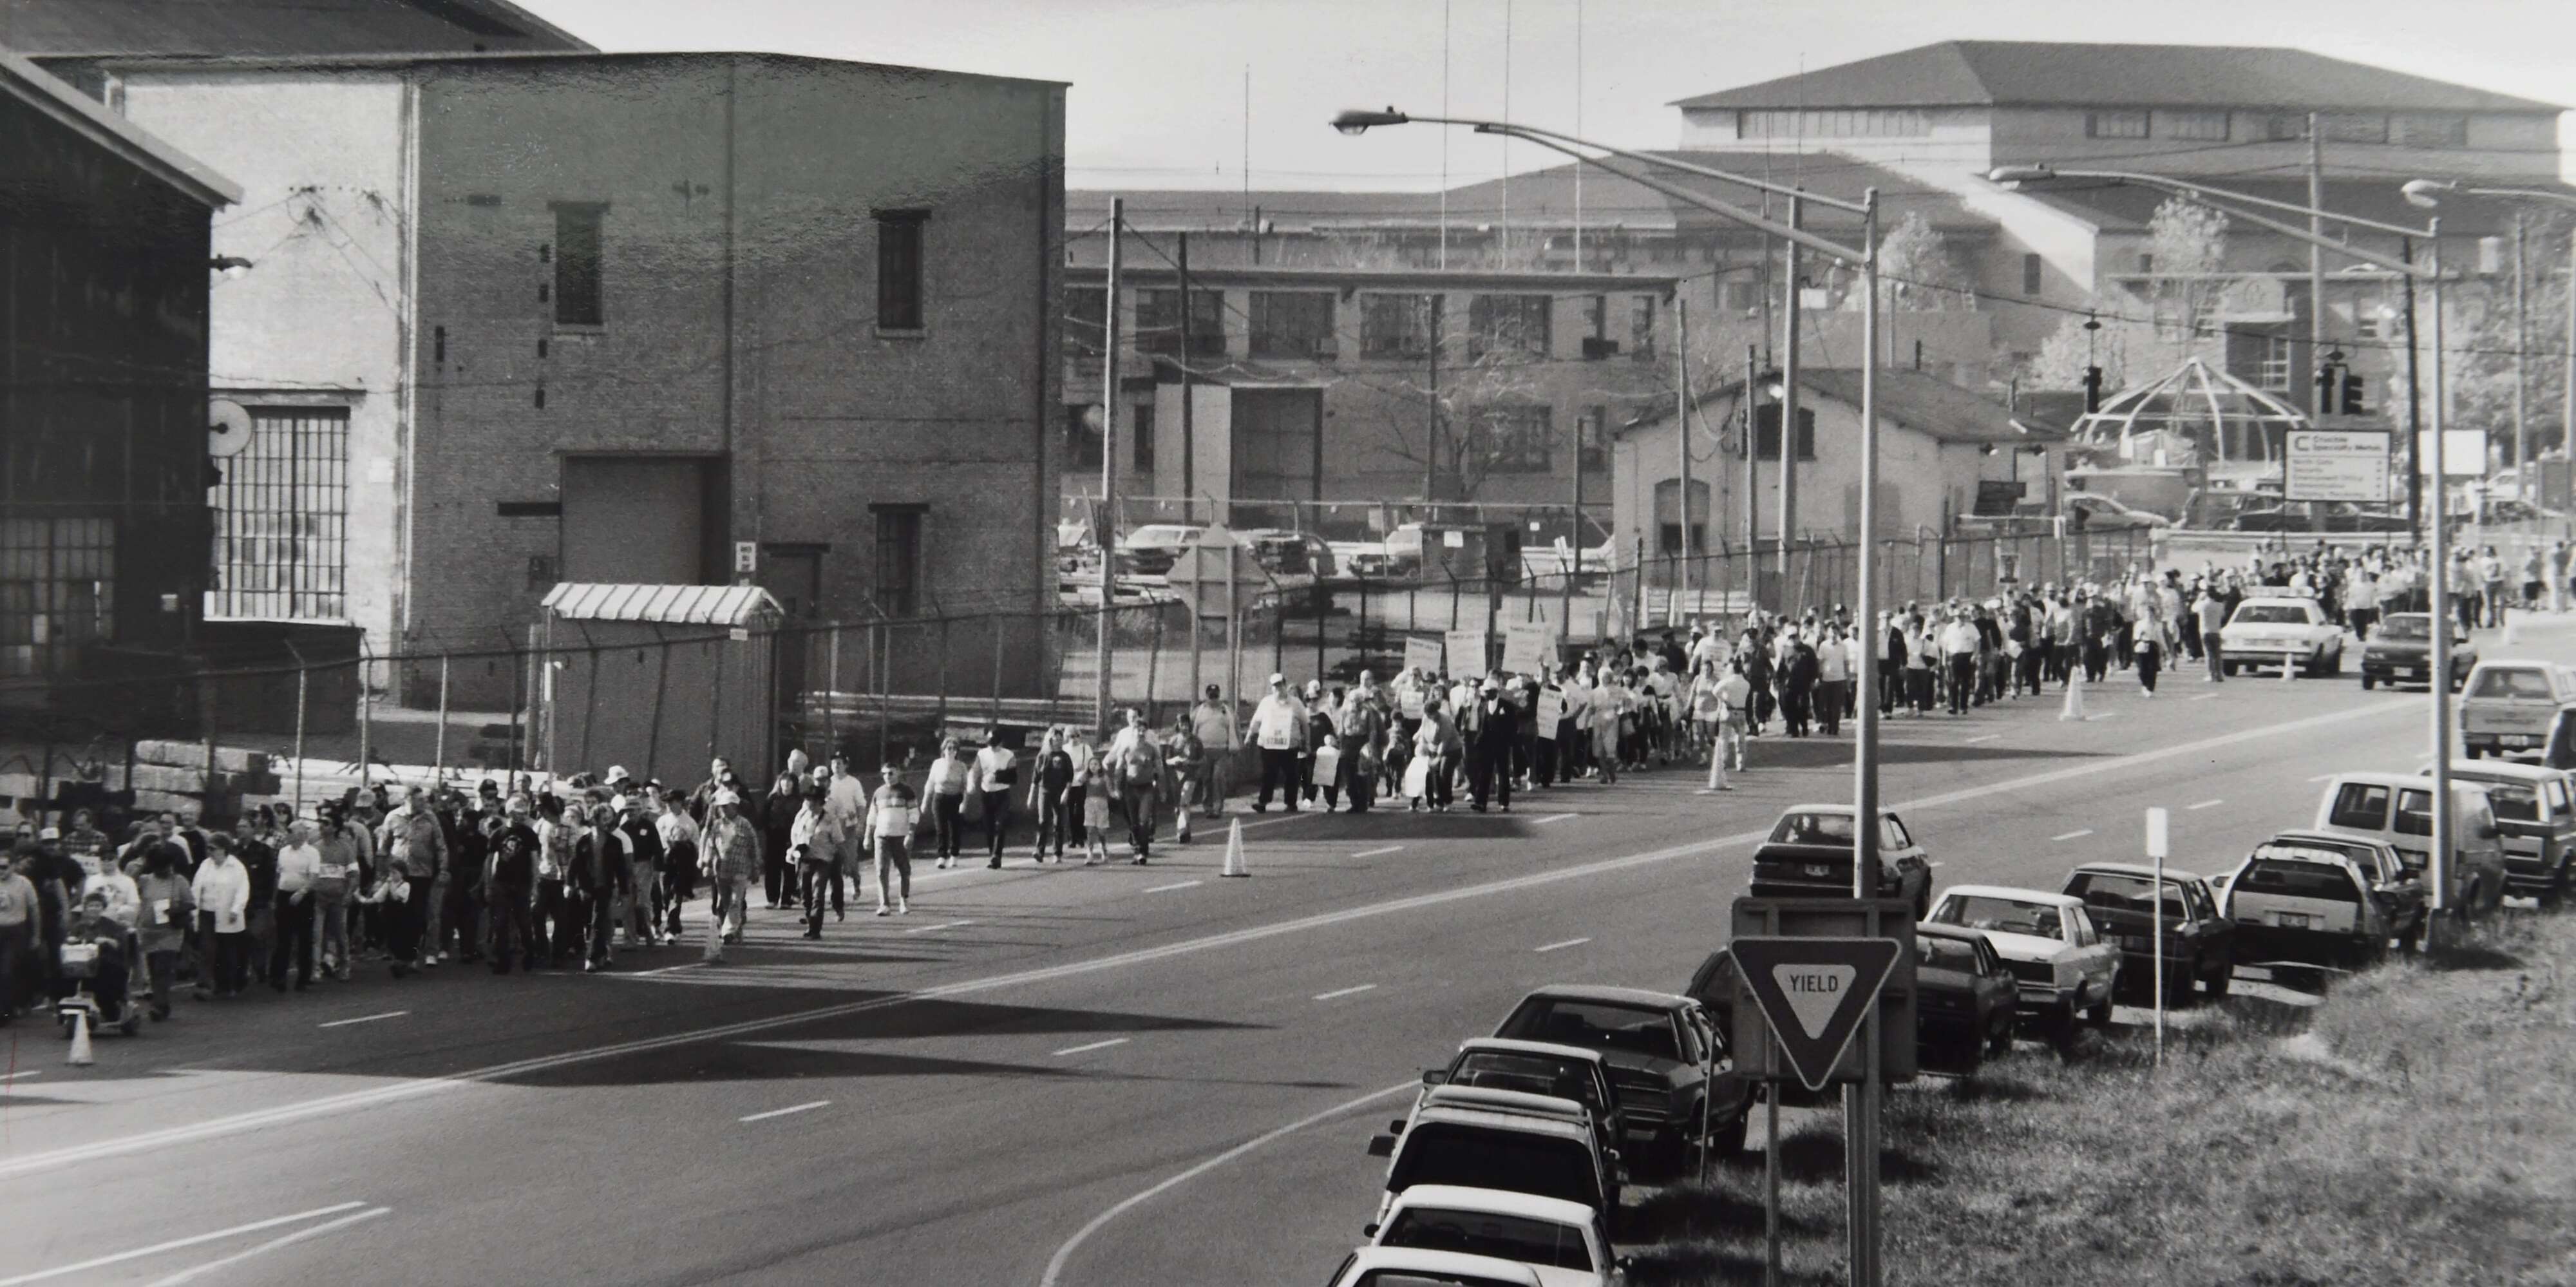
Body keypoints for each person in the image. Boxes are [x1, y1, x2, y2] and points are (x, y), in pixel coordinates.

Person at [699, 790, 759, 960]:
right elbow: (711, 845)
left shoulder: (745, 825)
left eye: (726, 807)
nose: (723, 810)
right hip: (722, 869)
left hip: (740, 869)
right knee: (724, 903)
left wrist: (755, 866)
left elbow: (754, 846)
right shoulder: (717, 825)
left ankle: (728, 932)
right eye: (721, 807)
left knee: (735, 901)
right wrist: (706, 863)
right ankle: (736, 930)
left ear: (735, 806)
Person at [191, 835, 252, 998]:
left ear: (223, 849)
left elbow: (243, 890)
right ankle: (205, 985)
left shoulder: (236, 867)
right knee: (207, 949)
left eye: (213, 849)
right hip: (207, 913)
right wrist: (194, 911)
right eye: (208, 849)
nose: (209, 852)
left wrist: (236, 909)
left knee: (227, 951)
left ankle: (228, 985)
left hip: (227, 914)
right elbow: (196, 888)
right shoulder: (205, 865)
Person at [486, 801, 539, 974]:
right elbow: (490, 860)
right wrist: (488, 884)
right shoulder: (498, 833)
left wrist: (535, 886)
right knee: (500, 922)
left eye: (524, 813)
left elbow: (534, 861)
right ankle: (503, 960)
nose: (522, 816)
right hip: (502, 882)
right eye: (518, 813)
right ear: (509, 812)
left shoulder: (529, 834)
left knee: (524, 922)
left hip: (523, 883)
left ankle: (530, 954)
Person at [269, 819, 321, 992]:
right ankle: (279, 977)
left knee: (304, 939)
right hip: (284, 897)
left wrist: (302, 892)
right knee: (283, 938)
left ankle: (303, 979)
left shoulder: (312, 853)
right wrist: (275, 898)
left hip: (303, 898)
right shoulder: (283, 852)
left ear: (300, 835)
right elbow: (279, 875)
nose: (287, 835)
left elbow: (314, 877)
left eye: (290, 832)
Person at [1244, 673, 1306, 813]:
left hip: (1289, 746)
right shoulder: (1266, 702)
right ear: (1271, 688)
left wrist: (1306, 742)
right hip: (1269, 745)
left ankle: (1291, 803)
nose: (1278, 688)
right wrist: (1249, 736)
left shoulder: (1296, 703)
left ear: (1285, 685)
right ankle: (1263, 802)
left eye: (1280, 685)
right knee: (1268, 774)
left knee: (1291, 774)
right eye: (1275, 686)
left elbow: (1305, 724)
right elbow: (1256, 721)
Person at [864, 763, 920, 915]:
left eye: (891, 773)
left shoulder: (907, 792)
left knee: (903, 870)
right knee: (881, 870)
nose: (887, 776)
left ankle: (904, 900)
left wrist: (911, 833)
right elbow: (872, 816)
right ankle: (885, 904)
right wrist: (867, 837)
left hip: (900, 836)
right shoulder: (879, 793)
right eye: (885, 773)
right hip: (882, 836)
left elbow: (914, 814)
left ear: (898, 773)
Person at [790, 786, 843, 939]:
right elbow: (794, 835)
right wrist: (795, 850)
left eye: (812, 800)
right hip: (805, 859)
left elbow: (839, 842)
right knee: (806, 894)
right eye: (807, 800)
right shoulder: (802, 816)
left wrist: (846, 862)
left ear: (820, 802)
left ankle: (815, 928)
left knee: (818, 893)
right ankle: (810, 920)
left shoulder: (830, 819)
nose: (809, 803)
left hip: (823, 860)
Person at [1463, 680, 1517, 814]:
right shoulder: (1483, 706)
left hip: (1502, 745)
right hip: (1487, 745)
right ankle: (1481, 802)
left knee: (1503, 773)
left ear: (1495, 692)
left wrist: (1510, 742)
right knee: (1484, 773)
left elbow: (1513, 726)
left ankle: (1504, 802)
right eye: (1485, 692)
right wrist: (1478, 742)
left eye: (1488, 692)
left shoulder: (1507, 706)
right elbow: (1482, 727)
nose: (1485, 694)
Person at [0, 849, 39, 1023]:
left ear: (14, 866)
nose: (1, 870)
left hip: (15, 931)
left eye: (4, 867)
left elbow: (34, 910)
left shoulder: (24, 883)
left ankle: (5, 1011)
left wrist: (36, 935)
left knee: (7, 971)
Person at [1113, 730, 1163, 863]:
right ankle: (1137, 850)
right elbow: (1118, 769)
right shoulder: (1126, 749)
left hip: (1146, 788)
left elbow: (1160, 769)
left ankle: (1143, 852)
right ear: (1133, 732)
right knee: (1133, 822)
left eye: (1143, 731)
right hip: (1131, 788)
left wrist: (1163, 789)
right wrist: (1117, 788)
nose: (1140, 733)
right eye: (1138, 730)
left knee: (1144, 820)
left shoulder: (1151, 749)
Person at [973, 727, 1019, 868]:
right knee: (988, 825)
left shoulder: (1009, 755)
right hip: (986, 793)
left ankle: (997, 855)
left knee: (1000, 824)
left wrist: (997, 777)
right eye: (991, 744)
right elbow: (976, 771)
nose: (993, 748)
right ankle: (991, 854)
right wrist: (972, 784)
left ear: (1001, 743)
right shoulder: (982, 754)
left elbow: (1013, 778)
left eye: (996, 745)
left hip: (1002, 793)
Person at [1028, 729, 1076, 861]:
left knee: (1058, 822)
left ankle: (1057, 853)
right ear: (1050, 740)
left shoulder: (1065, 757)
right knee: (1043, 821)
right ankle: (1039, 851)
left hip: (1060, 792)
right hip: (1045, 790)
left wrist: (1066, 792)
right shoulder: (1043, 755)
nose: (1058, 742)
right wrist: (1031, 795)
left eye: (1060, 739)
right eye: (1055, 739)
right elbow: (1036, 777)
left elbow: (1069, 776)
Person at [925, 738, 972, 869]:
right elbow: (930, 783)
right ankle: (941, 856)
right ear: (944, 750)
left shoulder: (961, 766)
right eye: (949, 748)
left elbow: (965, 786)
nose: (951, 751)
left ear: (957, 751)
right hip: (940, 798)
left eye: (954, 749)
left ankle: (954, 855)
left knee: (955, 829)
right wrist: (925, 801)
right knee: (941, 828)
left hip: (956, 798)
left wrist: (964, 803)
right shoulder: (937, 764)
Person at [1189, 685, 1236, 817]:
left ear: (1219, 696)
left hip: (1222, 751)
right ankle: (1208, 807)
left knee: (1218, 778)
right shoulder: (1199, 711)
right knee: (1207, 779)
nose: (1213, 699)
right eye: (1211, 696)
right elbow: (1190, 726)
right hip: (1204, 751)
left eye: (1216, 696)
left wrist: (1236, 746)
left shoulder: (1226, 711)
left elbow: (1234, 727)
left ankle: (1217, 807)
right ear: (1207, 696)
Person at [761, 767, 802, 909]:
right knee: (772, 868)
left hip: (791, 838)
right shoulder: (772, 799)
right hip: (774, 837)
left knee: (790, 868)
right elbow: (764, 817)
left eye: (789, 783)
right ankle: (772, 898)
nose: (786, 786)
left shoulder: (799, 800)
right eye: (784, 783)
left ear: (794, 785)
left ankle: (786, 898)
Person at [1164, 713, 1206, 842]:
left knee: (1184, 802)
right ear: (1178, 725)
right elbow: (1167, 760)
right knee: (1178, 808)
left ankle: (1181, 832)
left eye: (1187, 725)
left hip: (1190, 776)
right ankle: (1187, 830)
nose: (1185, 727)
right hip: (1176, 777)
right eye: (1182, 725)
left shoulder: (1196, 741)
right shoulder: (1173, 741)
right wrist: (1174, 761)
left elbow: (1203, 760)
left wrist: (1191, 763)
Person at [1079, 767, 1114, 866]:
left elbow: (1110, 791)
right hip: (1090, 804)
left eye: (1096, 764)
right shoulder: (1087, 777)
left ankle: (1104, 848)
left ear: (1100, 766)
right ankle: (1090, 853)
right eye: (1091, 764)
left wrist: (1115, 794)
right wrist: (1085, 771)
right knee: (1090, 829)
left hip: (1102, 804)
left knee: (1101, 830)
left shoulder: (1105, 778)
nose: (1094, 766)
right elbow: (1079, 780)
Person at [2195, 586, 2229, 683]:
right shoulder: (2220, 606)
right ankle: (2219, 675)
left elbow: (2193, 609)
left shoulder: (2202, 605)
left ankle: (2211, 674)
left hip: (2205, 631)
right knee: (2218, 654)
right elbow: (2223, 615)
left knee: (2209, 654)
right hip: (2216, 631)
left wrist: (2199, 598)